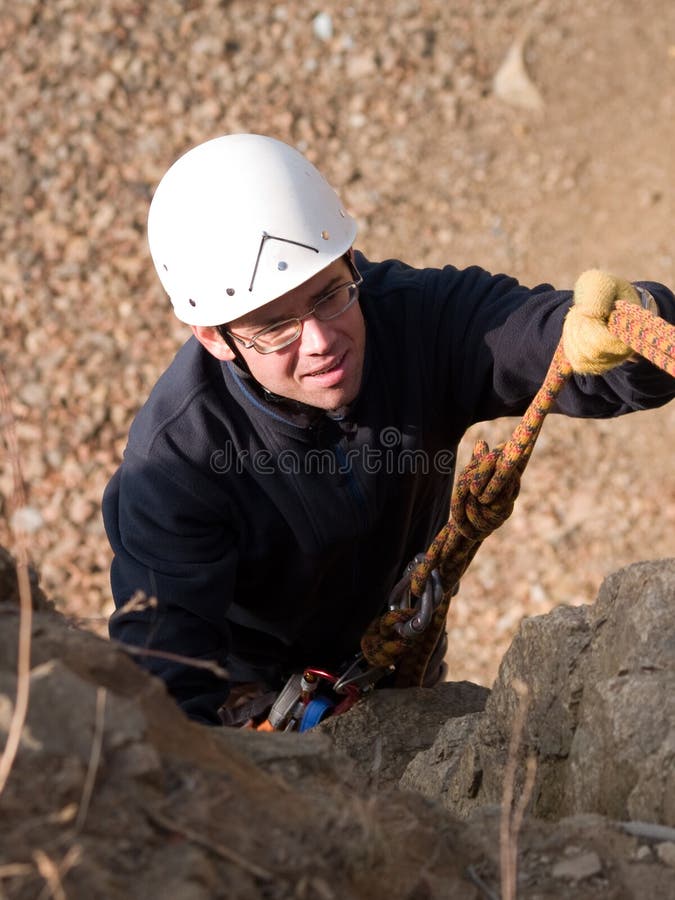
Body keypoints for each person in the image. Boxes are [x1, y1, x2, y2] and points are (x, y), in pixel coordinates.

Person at [103, 133, 675, 726]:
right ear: (215, 339)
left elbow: (537, 336)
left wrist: (633, 328)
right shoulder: (175, 463)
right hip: (252, 689)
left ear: (352, 262)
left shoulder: (414, 320)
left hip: (399, 647)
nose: (322, 342)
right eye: (276, 326)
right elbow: (164, 683)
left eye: (330, 294)